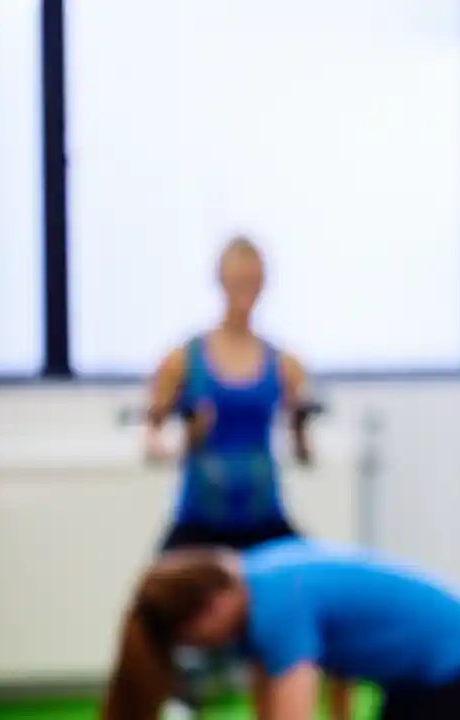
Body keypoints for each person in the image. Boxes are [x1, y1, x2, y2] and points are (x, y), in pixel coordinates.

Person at [141, 236, 341, 713]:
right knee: (153, 612)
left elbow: (303, 453)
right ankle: (170, 705)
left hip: (262, 514)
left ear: (264, 285)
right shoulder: (182, 359)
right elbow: (152, 443)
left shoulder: (285, 364)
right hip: (200, 515)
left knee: (320, 596)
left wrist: (300, 429)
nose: (244, 291)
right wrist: (187, 436)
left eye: (252, 282)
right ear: (220, 282)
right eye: (236, 281)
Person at [100, 538, 460, 720]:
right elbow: (279, 687)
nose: (203, 648)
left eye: (193, 639)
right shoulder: (255, 580)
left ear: (211, 607)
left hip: (458, 657)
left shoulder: (274, 603)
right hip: (417, 670)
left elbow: (292, 709)